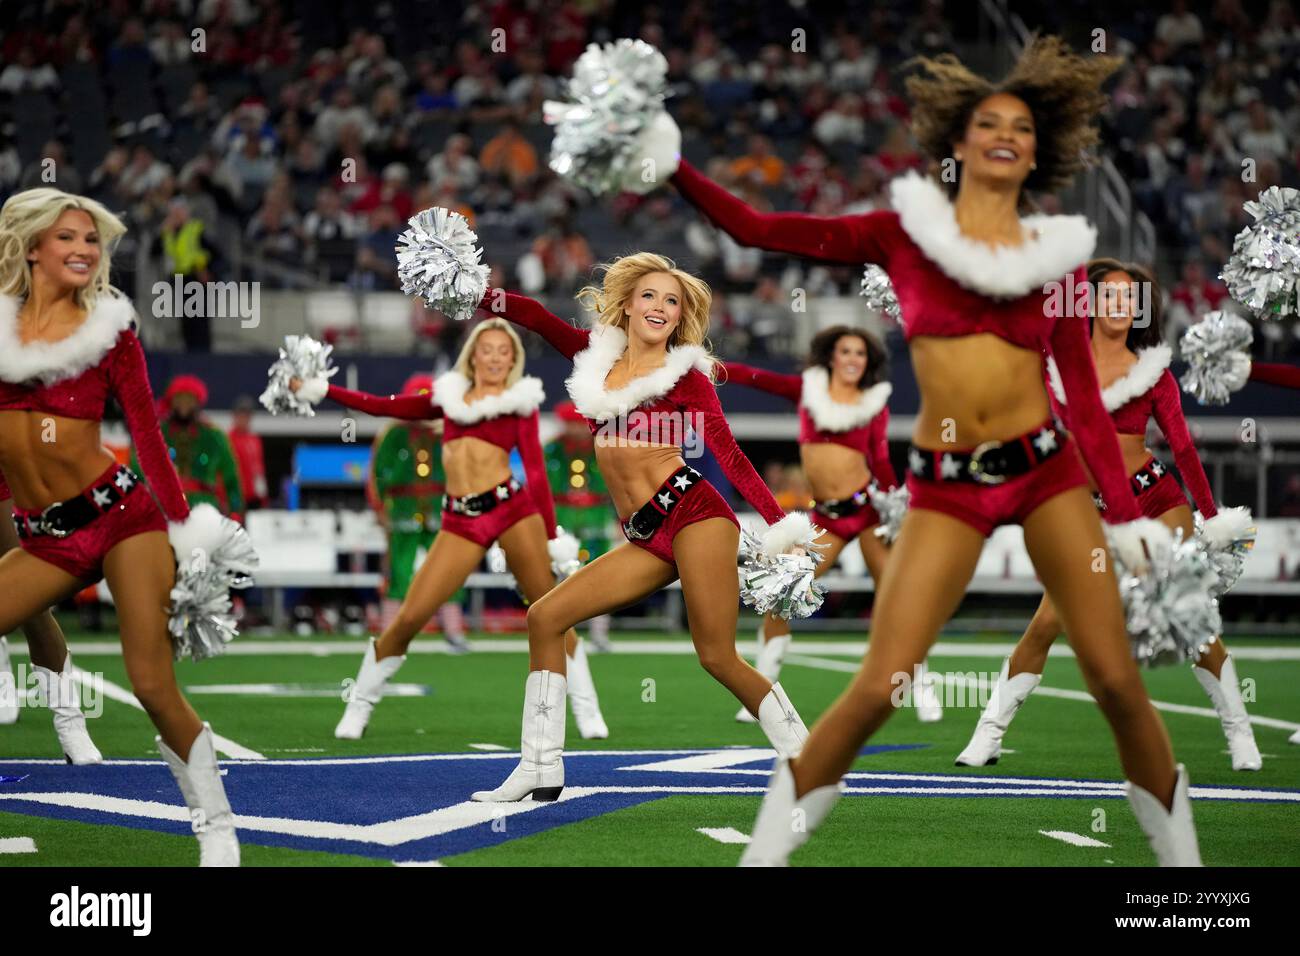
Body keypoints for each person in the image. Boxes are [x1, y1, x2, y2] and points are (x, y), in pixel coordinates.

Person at [653, 35, 1200, 865]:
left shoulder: (1057, 260)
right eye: (988, 121)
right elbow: (758, 227)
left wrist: (1125, 521)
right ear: (960, 144)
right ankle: (765, 856)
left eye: (1021, 124)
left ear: (1036, 151)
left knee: (1118, 681)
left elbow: (1085, 401)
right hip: (947, 484)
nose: (1005, 133)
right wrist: (676, 168)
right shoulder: (900, 236)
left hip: (1047, 475)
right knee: (879, 685)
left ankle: (1183, 875)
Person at [472, 252, 821, 803]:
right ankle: (539, 768)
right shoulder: (595, 358)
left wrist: (784, 526)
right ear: (629, 305)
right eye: (650, 296)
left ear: (680, 318)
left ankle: (807, 757)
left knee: (716, 656)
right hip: (643, 533)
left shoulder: (686, 378)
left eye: (672, 301)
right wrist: (472, 293)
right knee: (545, 617)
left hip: (696, 515)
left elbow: (729, 455)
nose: (660, 307)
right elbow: (536, 316)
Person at [0, 188, 239, 865]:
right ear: (32, 247)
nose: (83, 249)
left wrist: (186, 532)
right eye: (67, 237)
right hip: (47, 537)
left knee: (152, 684)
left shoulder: (111, 329)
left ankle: (216, 828)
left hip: (121, 519)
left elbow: (148, 436)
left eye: (91, 239)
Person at [957, 259, 1262, 771]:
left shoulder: (1154, 373)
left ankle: (1240, 735)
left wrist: (1211, 520)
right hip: (1089, 513)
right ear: (1089, 303)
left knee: (1186, 615)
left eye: (1129, 296)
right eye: (1109, 295)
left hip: (1155, 502)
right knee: (1046, 624)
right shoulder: (1057, 360)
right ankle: (987, 737)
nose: (1119, 304)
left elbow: (1183, 451)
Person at [288, 319, 608, 740]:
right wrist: (324, 390)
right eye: (487, 348)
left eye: (504, 350)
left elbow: (535, 472)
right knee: (410, 617)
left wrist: (552, 537)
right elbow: (383, 405)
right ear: (472, 355)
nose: (495, 357)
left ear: (513, 359)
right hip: (461, 518)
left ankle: (586, 708)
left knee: (550, 609)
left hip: (513, 511)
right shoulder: (447, 399)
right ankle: (360, 705)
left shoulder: (519, 405)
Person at [721, 330, 943, 723]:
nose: (853, 358)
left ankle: (921, 686)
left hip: (868, 512)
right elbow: (760, 378)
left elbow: (881, 462)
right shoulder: (808, 391)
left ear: (867, 361)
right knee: (782, 597)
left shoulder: (874, 404)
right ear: (832, 357)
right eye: (845, 351)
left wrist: (896, 510)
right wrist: (716, 368)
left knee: (898, 600)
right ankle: (762, 692)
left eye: (860, 352)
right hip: (826, 518)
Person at [367, 373, 469, 653]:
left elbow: (462, 472)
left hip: (441, 512)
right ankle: (389, 633)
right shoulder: (393, 434)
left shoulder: (448, 431)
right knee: (399, 571)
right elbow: (376, 475)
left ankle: (453, 631)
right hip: (402, 513)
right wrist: (380, 508)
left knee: (449, 570)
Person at [545, 400, 615, 652]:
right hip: (562, 520)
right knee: (561, 579)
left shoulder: (603, 447)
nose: (576, 430)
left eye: (580, 424)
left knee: (602, 577)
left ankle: (600, 634)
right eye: (571, 424)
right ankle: (560, 633)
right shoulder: (551, 450)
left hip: (595, 519)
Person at [145, 374, 243, 517]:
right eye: (179, 399)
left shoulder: (214, 437)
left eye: (189, 400)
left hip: (204, 510)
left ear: (198, 402)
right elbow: (139, 469)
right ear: (171, 402)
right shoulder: (157, 434)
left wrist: (236, 513)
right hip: (164, 509)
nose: (184, 405)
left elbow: (231, 480)